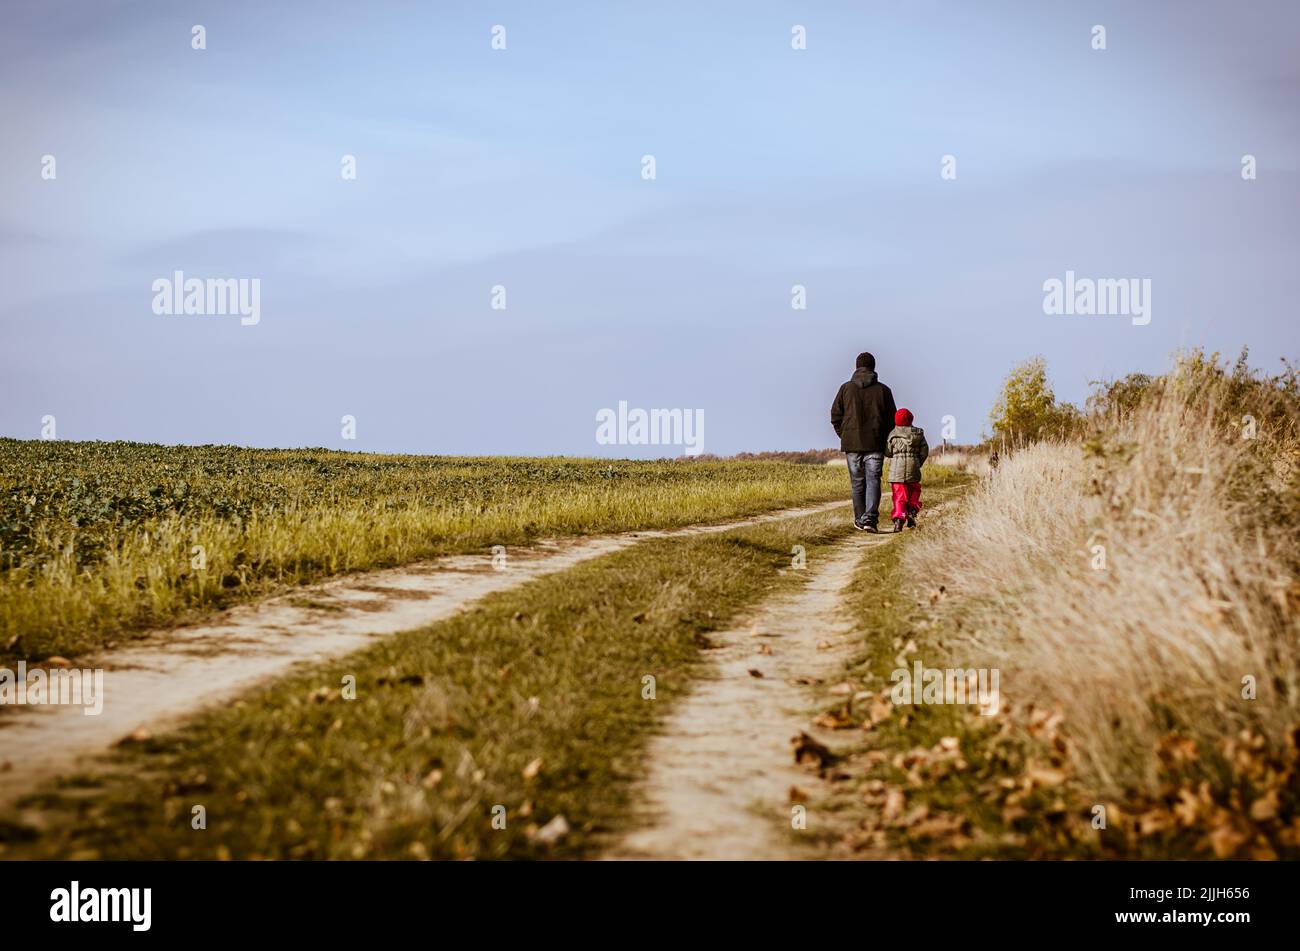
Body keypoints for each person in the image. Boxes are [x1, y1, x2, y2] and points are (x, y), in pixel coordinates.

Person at [830, 352, 896, 532]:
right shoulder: (884, 390)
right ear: (874, 367)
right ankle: (869, 520)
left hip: (851, 444)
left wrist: (844, 435)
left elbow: (835, 416)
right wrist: (884, 439)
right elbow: (892, 420)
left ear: (856, 366)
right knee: (874, 480)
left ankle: (859, 519)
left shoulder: (845, 389)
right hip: (875, 443)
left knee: (857, 483)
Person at [885, 408, 928, 532]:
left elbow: (888, 452)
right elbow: (924, 451)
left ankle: (899, 519)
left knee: (899, 496)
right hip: (913, 467)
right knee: (914, 490)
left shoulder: (892, 434)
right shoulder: (918, 434)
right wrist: (917, 462)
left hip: (896, 471)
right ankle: (912, 510)